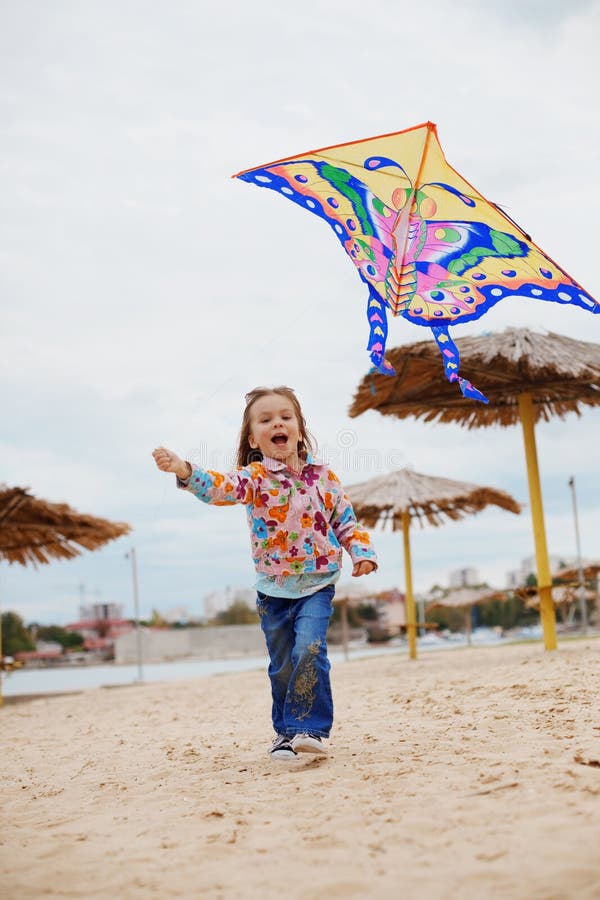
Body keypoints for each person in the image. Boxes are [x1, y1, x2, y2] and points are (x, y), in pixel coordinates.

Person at [152, 385, 377, 760]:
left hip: (317, 583)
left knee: (309, 649)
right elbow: (220, 488)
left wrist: (361, 553)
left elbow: (346, 521)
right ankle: (285, 733)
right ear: (253, 439)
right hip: (272, 589)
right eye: (266, 420)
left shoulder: (325, 477)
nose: (277, 424)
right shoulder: (254, 478)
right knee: (283, 665)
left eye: (286, 417)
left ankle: (311, 728)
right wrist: (184, 470)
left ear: (299, 430)